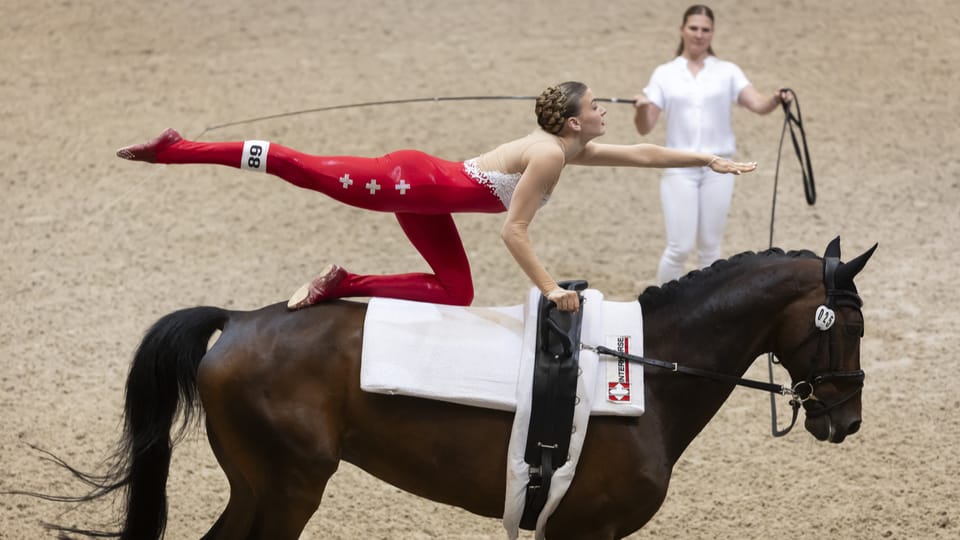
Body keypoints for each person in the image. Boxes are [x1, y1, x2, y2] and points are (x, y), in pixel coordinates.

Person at [117, 81, 756, 312]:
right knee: (301, 168)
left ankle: (343, 282)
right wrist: (550, 290)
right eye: (595, 109)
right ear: (570, 122)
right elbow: (513, 230)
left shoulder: (567, 148)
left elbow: (644, 154)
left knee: (456, 292)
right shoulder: (546, 158)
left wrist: (707, 157)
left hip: (431, 200)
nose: (605, 114)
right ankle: (179, 148)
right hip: (409, 181)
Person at [633, 5, 790, 284]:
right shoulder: (664, 73)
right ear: (682, 30)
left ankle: (707, 311)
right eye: (693, 28)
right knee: (679, 247)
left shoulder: (727, 71)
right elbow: (645, 127)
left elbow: (758, 104)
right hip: (679, 166)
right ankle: (660, 309)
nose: (699, 35)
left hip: (720, 167)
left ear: (712, 33)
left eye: (705, 29)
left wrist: (776, 99)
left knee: (710, 248)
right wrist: (641, 107)